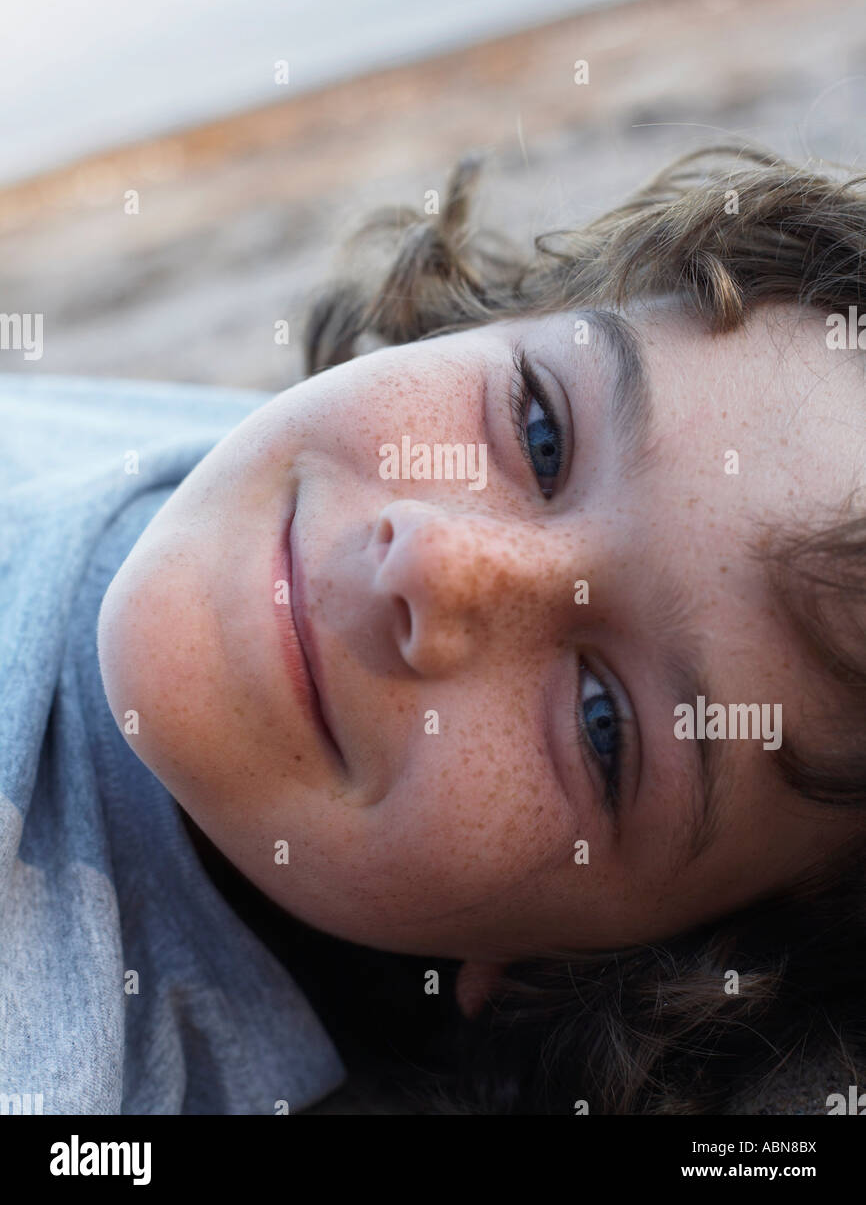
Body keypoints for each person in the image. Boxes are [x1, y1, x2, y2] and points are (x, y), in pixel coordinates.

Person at [3, 144, 865, 1114]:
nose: (435, 562)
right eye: (541, 435)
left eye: (601, 725)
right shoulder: (251, 479)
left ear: (561, 975)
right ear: (493, 319)